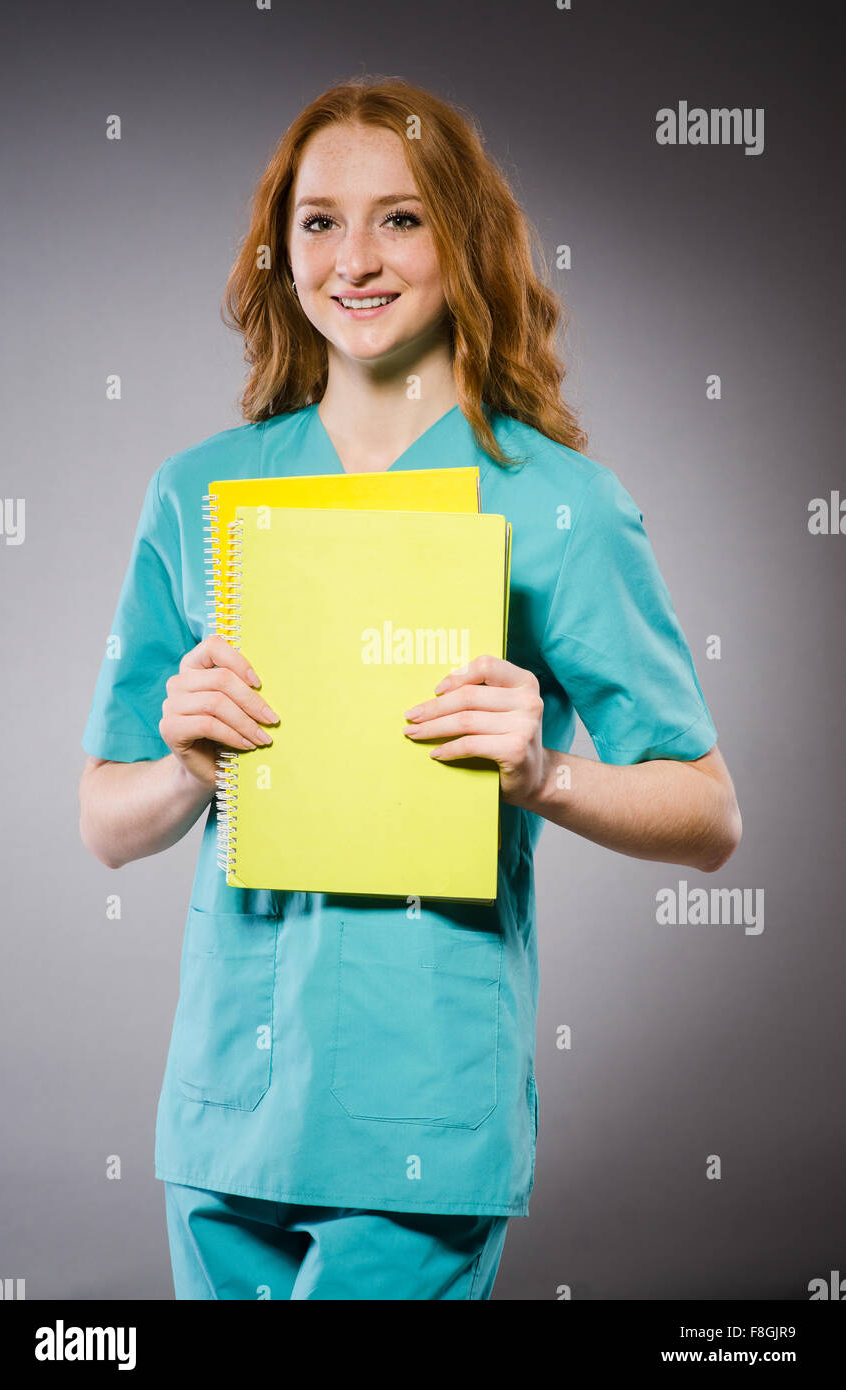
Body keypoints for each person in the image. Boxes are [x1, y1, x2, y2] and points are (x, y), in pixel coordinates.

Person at [78, 76, 742, 1301]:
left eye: (401, 218)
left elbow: (708, 815)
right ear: (282, 251)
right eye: (320, 220)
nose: (356, 258)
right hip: (227, 1108)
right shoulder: (200, 494)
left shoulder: (557, 502)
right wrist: (184, 767)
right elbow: (105, 819)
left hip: (422, 1115)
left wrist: (543, 772)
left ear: (465, 240)